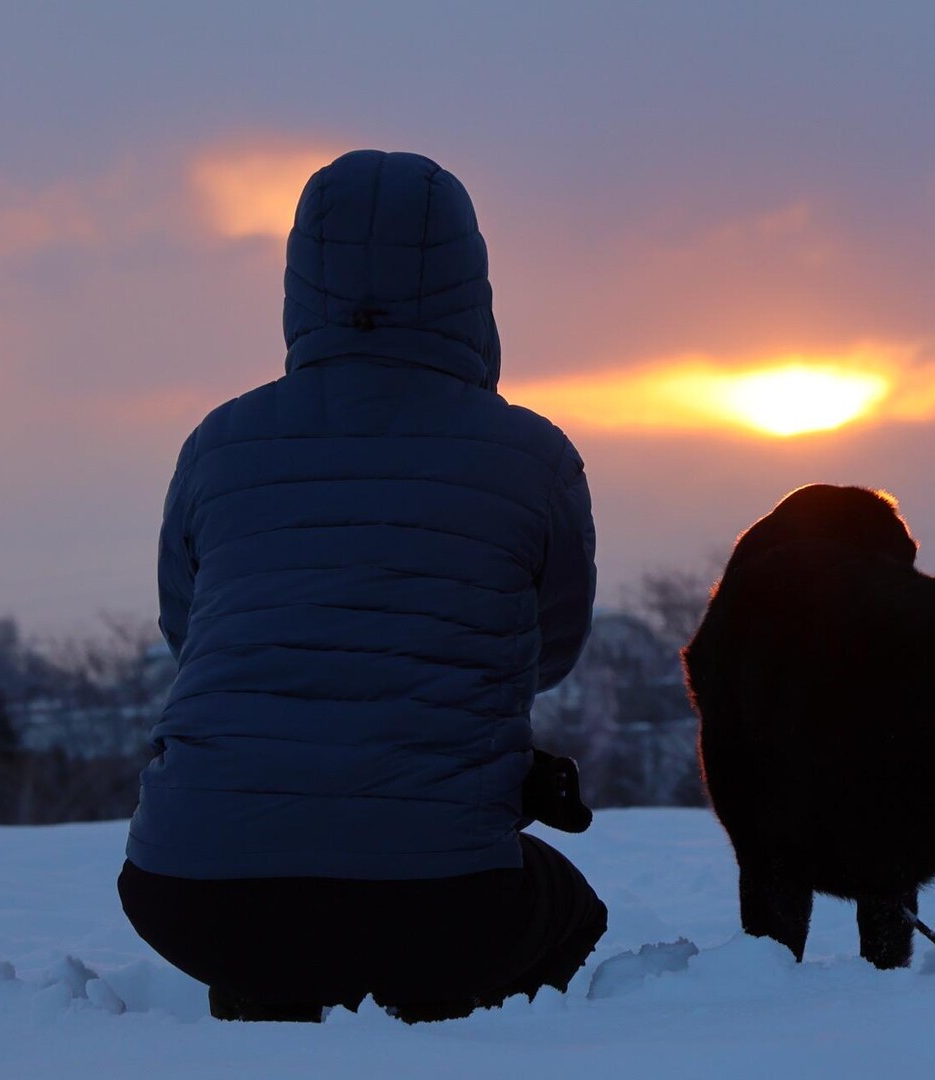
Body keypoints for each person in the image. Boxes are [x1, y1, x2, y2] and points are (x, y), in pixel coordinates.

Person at [118, 149, 606, 1023]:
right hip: (443, 896)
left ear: (301, 281)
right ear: (472, 286)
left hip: (190, 889)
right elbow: (552, 648)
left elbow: (189, 632)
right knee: (569, 916)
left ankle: (272, 1024)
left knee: (272, 948)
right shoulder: (532, 456)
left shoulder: (219, 444)